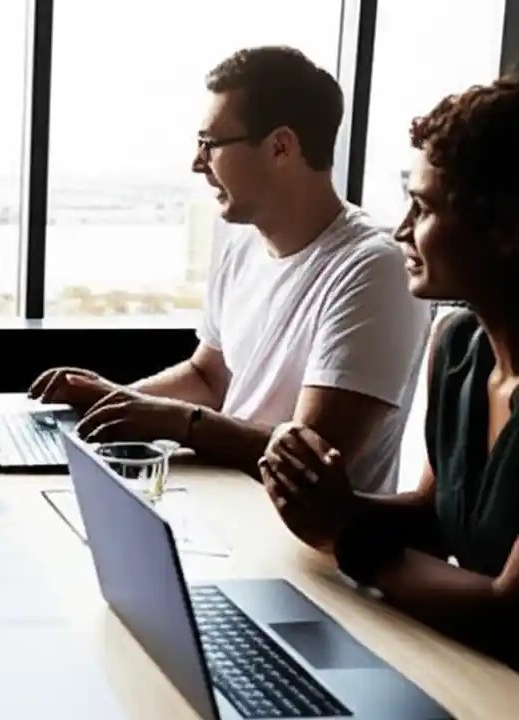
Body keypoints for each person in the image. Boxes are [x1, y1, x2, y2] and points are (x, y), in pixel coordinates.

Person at [30, 46, 430, 492]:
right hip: (225, 499)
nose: (197, 163)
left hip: (313, 550)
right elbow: (210, 377)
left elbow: (313, 455)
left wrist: (178, 422)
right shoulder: (240, 243)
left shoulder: (374, 267)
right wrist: (116, 400)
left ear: (281, 147)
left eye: (210, 144)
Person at [260, 75, 519, 667]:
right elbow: (433, 516)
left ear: (507, 229)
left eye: (424, 207)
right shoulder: (457, 347)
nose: (401, 229)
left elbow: (511, 614)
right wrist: (317, 498)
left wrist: (346, 534)